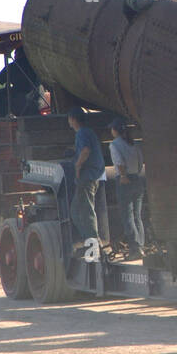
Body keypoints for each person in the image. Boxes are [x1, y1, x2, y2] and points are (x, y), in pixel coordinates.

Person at [67, 107, 106, 255]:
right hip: (94, 175)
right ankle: (90, 240)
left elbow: (86, 150)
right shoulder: (88, 132)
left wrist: (77, 166)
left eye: (69, 119)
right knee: (77, 210)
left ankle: (93, 244)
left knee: (85, 211)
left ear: (73, 119)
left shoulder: (81, 133)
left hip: (87, 177)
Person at [108, 117, 145, 259]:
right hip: (137, 178)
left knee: (127, 216)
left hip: (125, 180)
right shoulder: (133, 144)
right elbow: (141, 162)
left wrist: (123, 175)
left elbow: (119, 162)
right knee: (137, 216)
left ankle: (135, 249)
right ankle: (140, 246)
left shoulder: (115, 145)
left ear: (115, 131)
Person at [0, 47, 45, 117]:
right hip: (39, 102)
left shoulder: (14, 66)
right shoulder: (37, 65)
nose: (14, 56)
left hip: (21, 101)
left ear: (18, 54)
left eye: (15, 53)